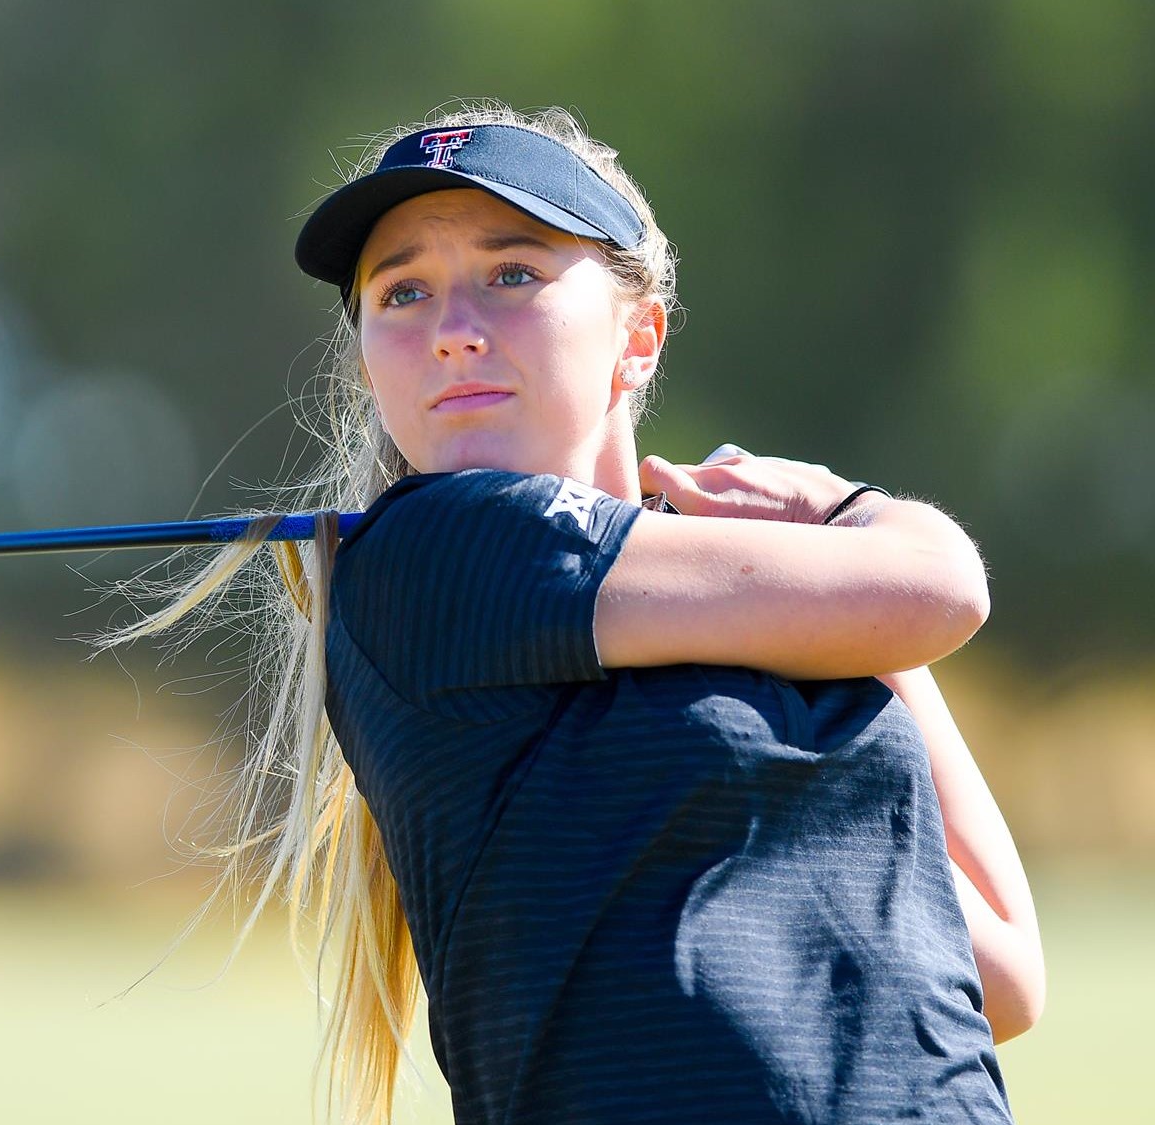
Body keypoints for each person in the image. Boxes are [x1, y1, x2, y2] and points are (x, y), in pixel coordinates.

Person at [101, 101, 1044, 1125]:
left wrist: (842, 608)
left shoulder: (753, 630)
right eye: (401, 292)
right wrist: (847, 516)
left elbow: (996, 971)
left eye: (512, 274)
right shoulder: (437, 552)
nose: (454, 333)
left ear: (636, 337)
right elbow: (942, 588)